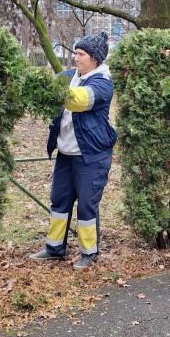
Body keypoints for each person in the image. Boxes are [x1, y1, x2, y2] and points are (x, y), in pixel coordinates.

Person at [29, 32, 117, 270]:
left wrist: (53, 91)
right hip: (66, 155)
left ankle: (89, 253)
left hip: (91, 157)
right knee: (59, 201)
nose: (76, 58)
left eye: (81, 54)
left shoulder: (102, 84)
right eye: (75, 53)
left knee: (87, 206)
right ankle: (54, 248)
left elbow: (78, 101)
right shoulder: (69, 76)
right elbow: (49, 87)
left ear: (95, 59)